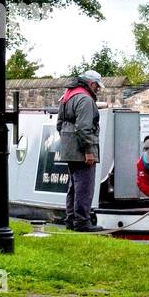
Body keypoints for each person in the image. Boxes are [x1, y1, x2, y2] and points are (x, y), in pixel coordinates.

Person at [57, 69, 103, 232]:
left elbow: (59, 124)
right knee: (84, 186)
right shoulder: (85, 99)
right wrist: (89, 151)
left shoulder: (67, 95)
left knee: (73, 186)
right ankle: (83, 222)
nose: (98, 89)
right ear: (91, 83)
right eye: (97, 86)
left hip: (68, 147)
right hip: (81, 149)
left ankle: (71, 219)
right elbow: (84, 128)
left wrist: (67, 142)